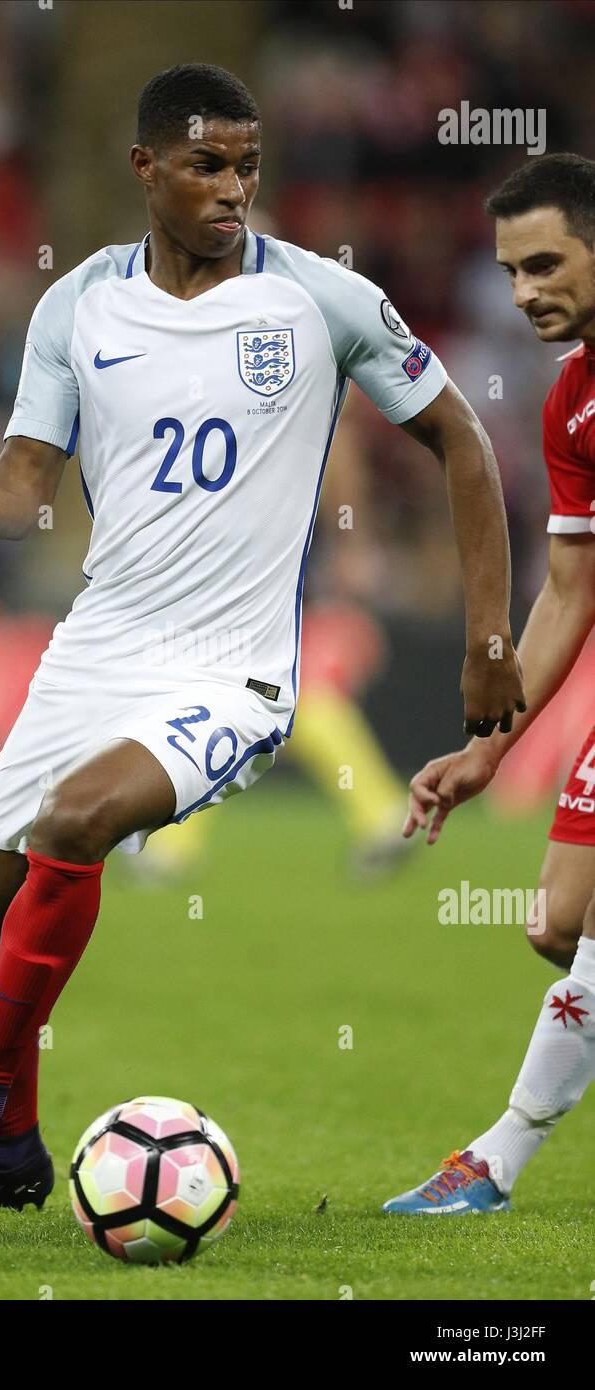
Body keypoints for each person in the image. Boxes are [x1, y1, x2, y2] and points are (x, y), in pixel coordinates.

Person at [0, 64, 524, 1214]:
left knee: (77, 820)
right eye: (209, 164)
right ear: (146, 168)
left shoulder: (322, 299)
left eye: (248, 165)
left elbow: (461, 441)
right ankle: (10, 1154)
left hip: (233, 668)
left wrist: (486, 639)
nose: (234, 187)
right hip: (96, 644)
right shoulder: (76, 303)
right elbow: (22, 484)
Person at [384, 153, 595, 1214]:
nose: (524, 293)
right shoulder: (571, 402)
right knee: (559, 924)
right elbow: (567, 589)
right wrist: (490, 743)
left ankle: (494, 1159)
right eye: (510, 272)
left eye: (546, 263)